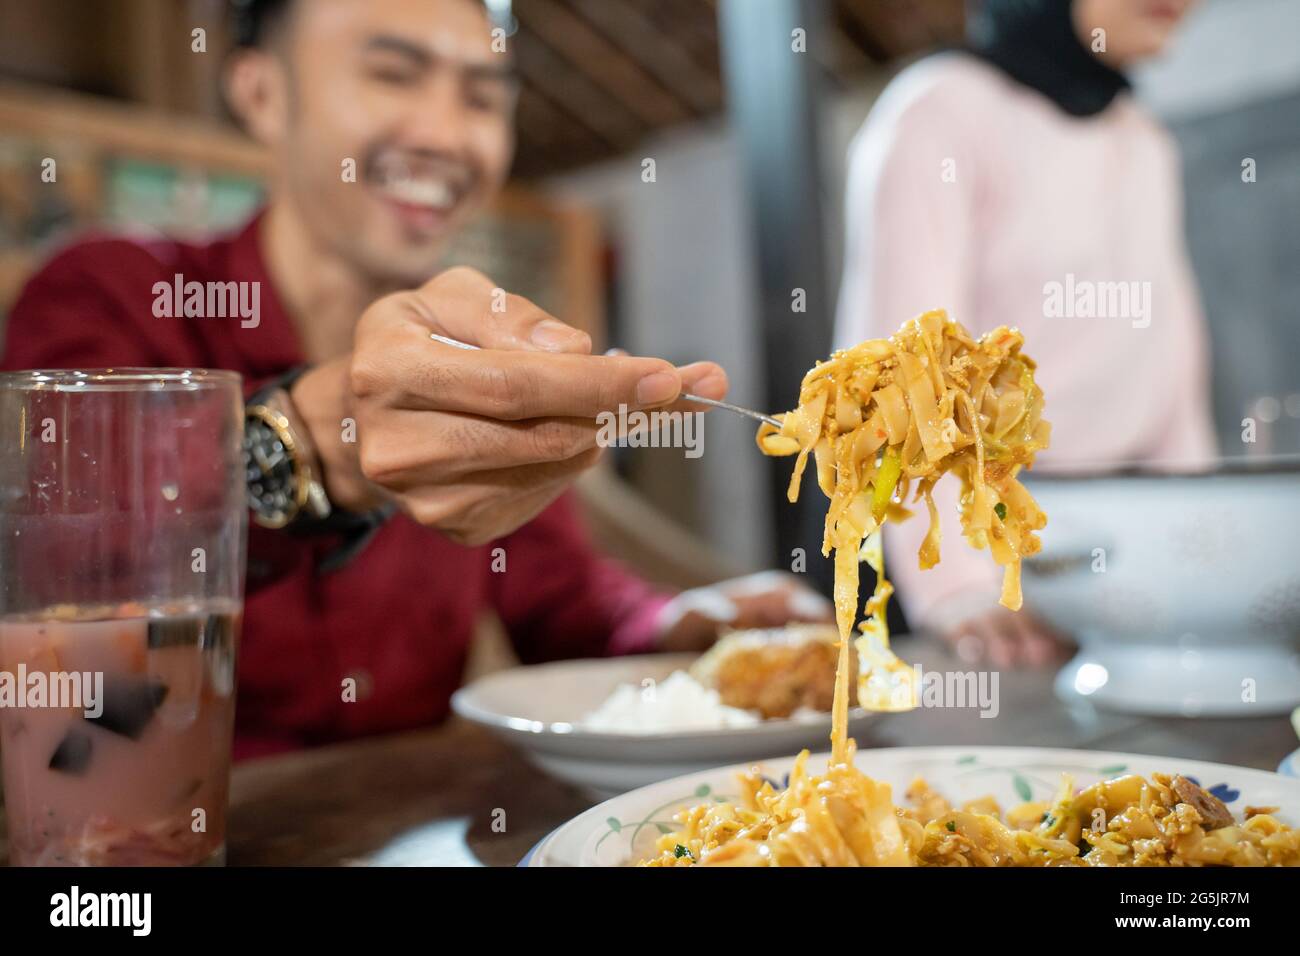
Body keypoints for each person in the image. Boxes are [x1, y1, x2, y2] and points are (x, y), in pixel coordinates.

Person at [1, 0, 830, 758]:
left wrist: (685, 620)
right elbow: (62, 562)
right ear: (261, 95)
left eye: (482, 96)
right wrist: (304, 449)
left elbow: (559, 599)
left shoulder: (481, 353)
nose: (446, 134)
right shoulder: (114, 294)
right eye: (392, 74)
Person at [834, 0, 1216, 667]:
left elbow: (1171, 364)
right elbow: (902, 376)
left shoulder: (1144, 139)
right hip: (976, 572)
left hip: (1121, 565)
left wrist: (1202, 549)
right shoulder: (940, 113)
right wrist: (957, 588)